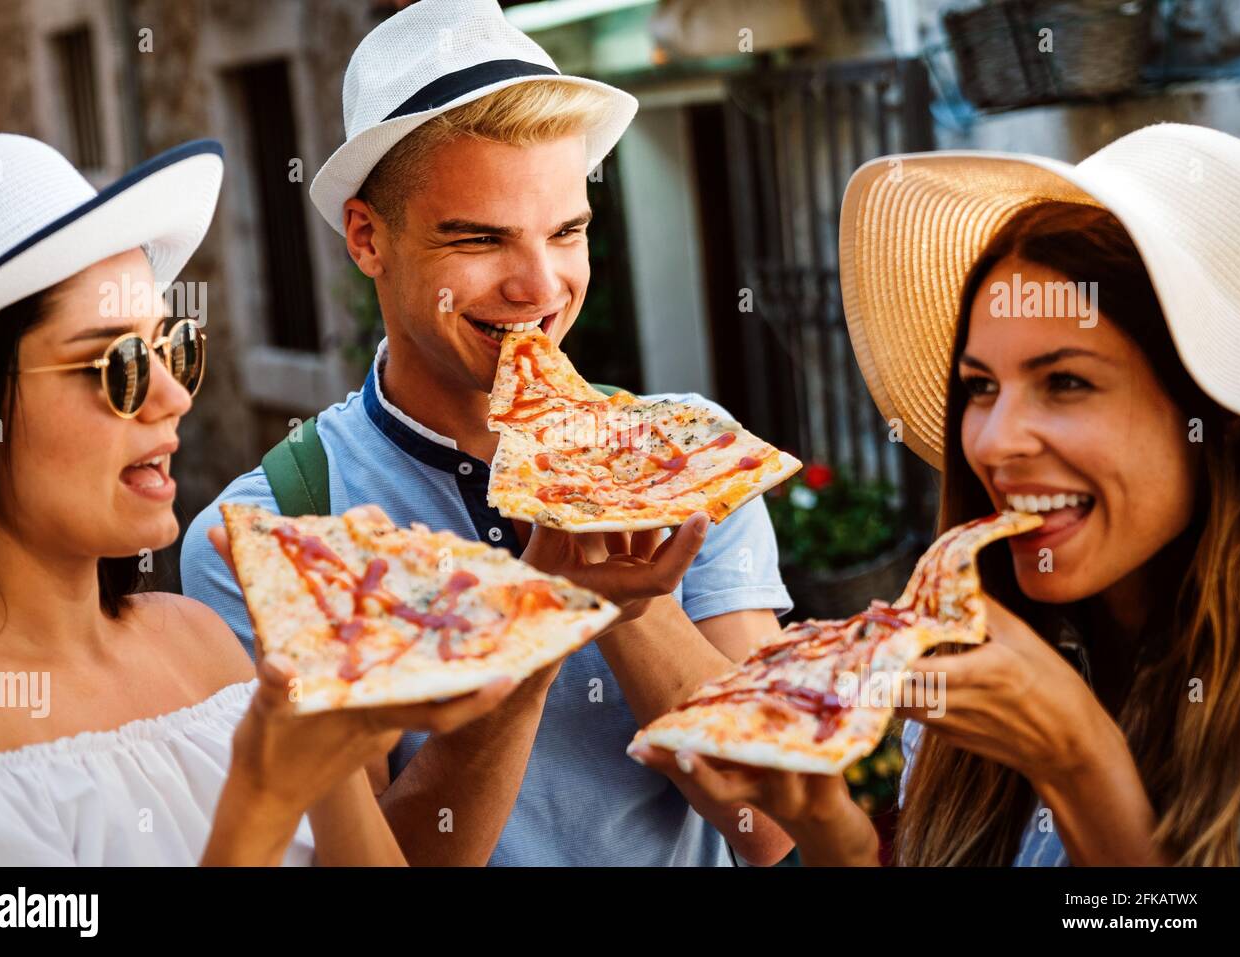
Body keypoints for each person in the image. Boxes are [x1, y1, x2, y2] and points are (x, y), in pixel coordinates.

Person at [182, 0, 795, 866]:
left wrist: (628, 588)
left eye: (568, 231)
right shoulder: (267, 538)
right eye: (480, 239)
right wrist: (541, 616)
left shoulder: (685, 452)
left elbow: (764, 829)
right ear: (367, 236)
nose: (540, 287)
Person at [635, 123, 1240, 866]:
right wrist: (840, 838)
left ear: (1213, 420)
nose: (991, 442)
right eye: (981, 387)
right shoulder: (976, 664)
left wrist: (1081, 766)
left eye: (1067, 382)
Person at [0, 133, 513, 866]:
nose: (173, 394)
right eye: (115, 362)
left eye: (174, 346)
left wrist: (329, 719)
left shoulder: (201, 639)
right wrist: (265, 795)